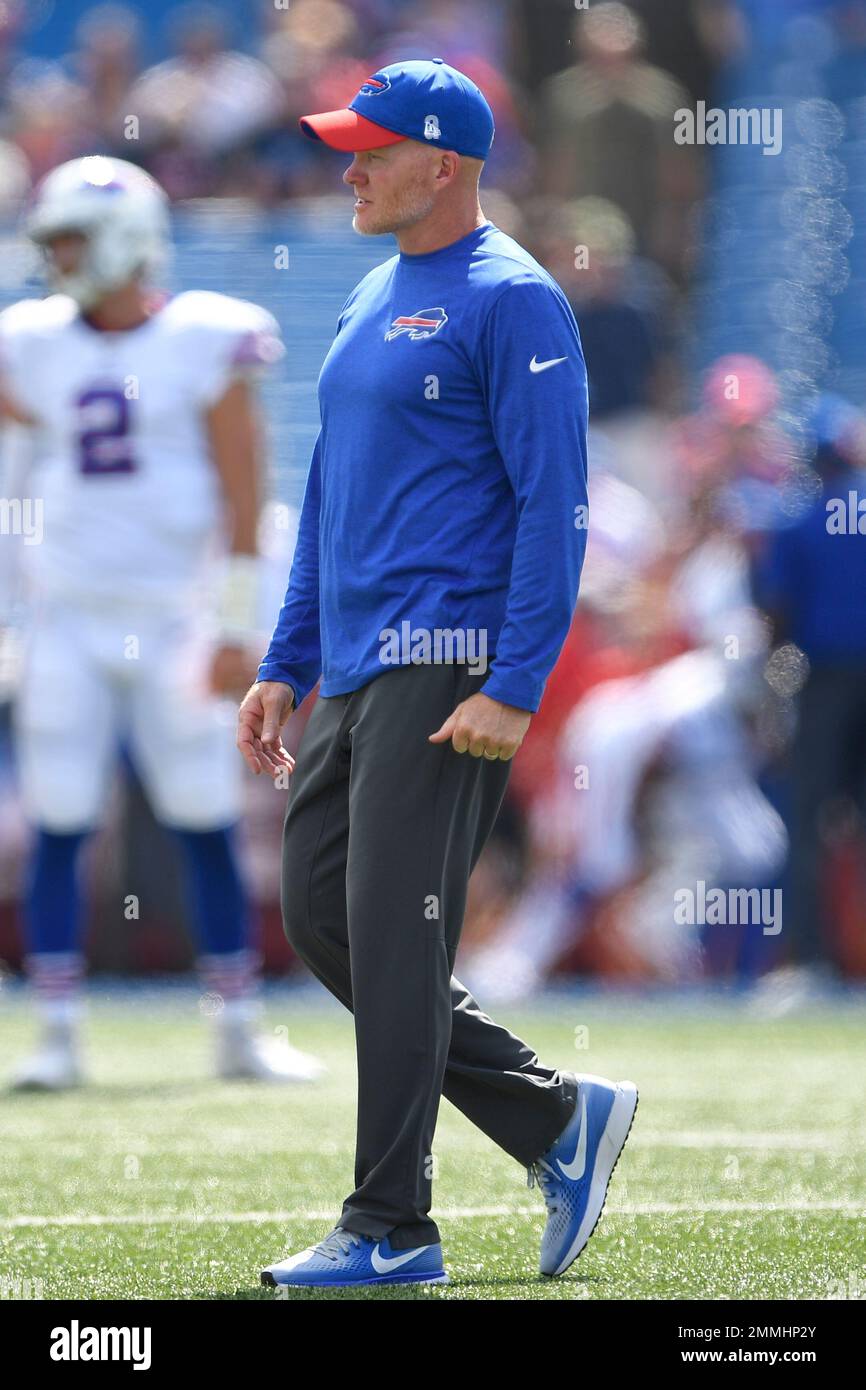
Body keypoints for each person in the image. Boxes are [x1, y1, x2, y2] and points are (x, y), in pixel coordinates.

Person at [237, 59, 638, 1289]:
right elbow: (326, 497)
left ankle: (391, 1227)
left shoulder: (514, 299)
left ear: (444, 163)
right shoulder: (370, 294)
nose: (347, 169)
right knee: (322, 918)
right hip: (352, 667)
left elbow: (551, 505)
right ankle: (551, 1116)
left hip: (446, 663)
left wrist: (514, 681)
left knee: (391, 936)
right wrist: (284, 658)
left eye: (369, 149)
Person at [0, 155, 322, 1088]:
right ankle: (55, 1031)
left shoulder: (203, 337)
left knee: (202, 815)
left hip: (177, 618)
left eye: (72, 240)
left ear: (128, 239)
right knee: (59, 816)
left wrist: (234, 624)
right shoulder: (32, 341)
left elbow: (242, 489)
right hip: (67, 617)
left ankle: (237, 1025)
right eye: (51, 241)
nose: (59, 258)